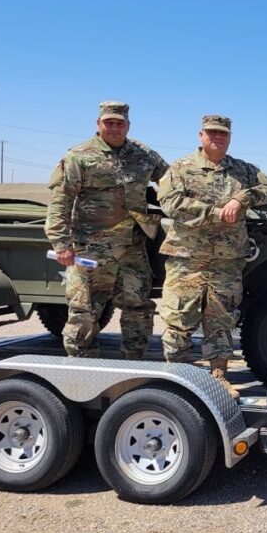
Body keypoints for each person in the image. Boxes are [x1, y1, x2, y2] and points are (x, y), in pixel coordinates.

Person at [156, 114, 267, 398]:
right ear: (201, 135)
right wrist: (213, 214)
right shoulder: (181, 168)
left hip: (226, 260)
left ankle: (219, 376)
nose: (217, 137)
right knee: (179, 316)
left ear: (229, 137)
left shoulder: (242, 170)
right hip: (188, 258)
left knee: (221, 319)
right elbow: (170, 202)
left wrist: (241, 199)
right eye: (212, 133)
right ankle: (178, 376)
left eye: (222, 134)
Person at [45, 101, 169, 359]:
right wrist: (61, 243)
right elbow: (61, 201)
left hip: (132, 248)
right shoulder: (79, 156)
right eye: (108, 123)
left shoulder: (143, 154)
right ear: (98, 124)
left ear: (128, 126)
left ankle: (135, 363)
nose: (114, 128)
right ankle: (82, 368)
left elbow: (172, 181)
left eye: (119, 123)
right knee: (84, 311)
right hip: (90, 249)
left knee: (138, 308)